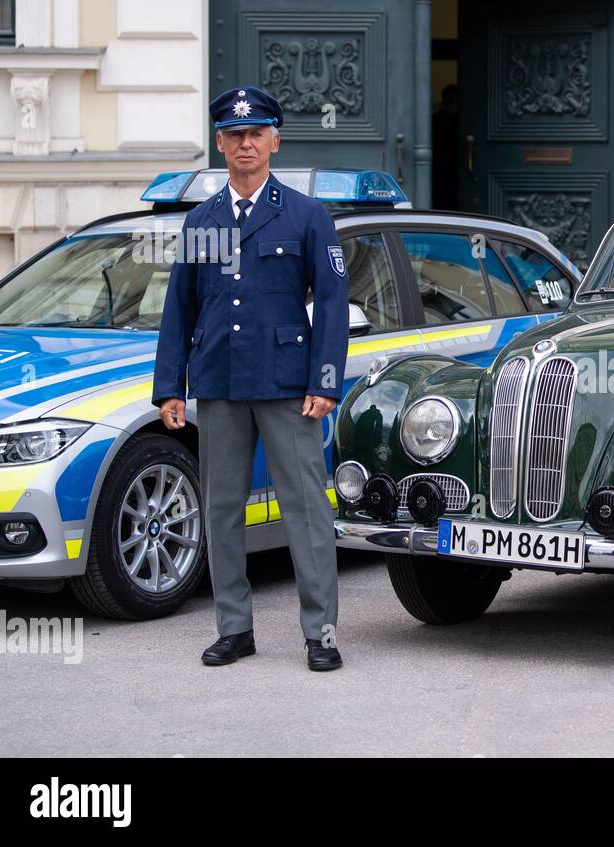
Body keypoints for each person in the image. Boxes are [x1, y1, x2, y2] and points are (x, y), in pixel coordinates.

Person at [152, 85, 350, 671]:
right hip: (219, 384)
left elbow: (334, 305)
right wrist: (170, 386)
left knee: (306, 510)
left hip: (290, 386)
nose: (245, 144)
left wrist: (326, 380)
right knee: (221, 509)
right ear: (219, 143)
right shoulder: (200, 222)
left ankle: (321, 633)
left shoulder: (305, 215)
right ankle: (234, 628)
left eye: (256, 134)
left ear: (274, 142)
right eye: (234, 135)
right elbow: (178, 308)